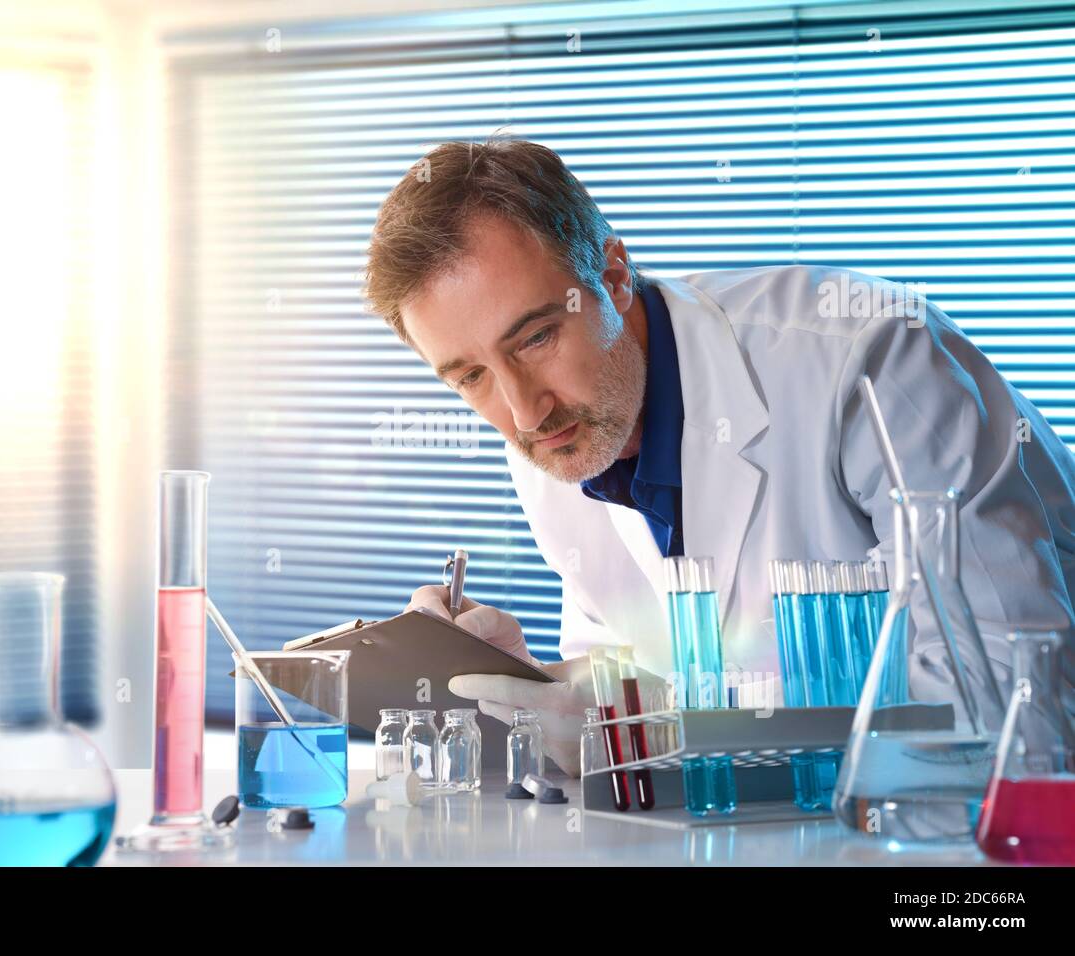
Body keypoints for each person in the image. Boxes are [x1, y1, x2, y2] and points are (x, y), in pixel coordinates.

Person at [362, 137, 1075, 776]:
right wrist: (528, 690)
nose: (520, 410)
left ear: (612, 275)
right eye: (470, 376)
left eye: (537, 338)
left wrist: (641, 740)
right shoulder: (552, 443)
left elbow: (1014, 710)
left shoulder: (866, 359)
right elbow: (653, 677)